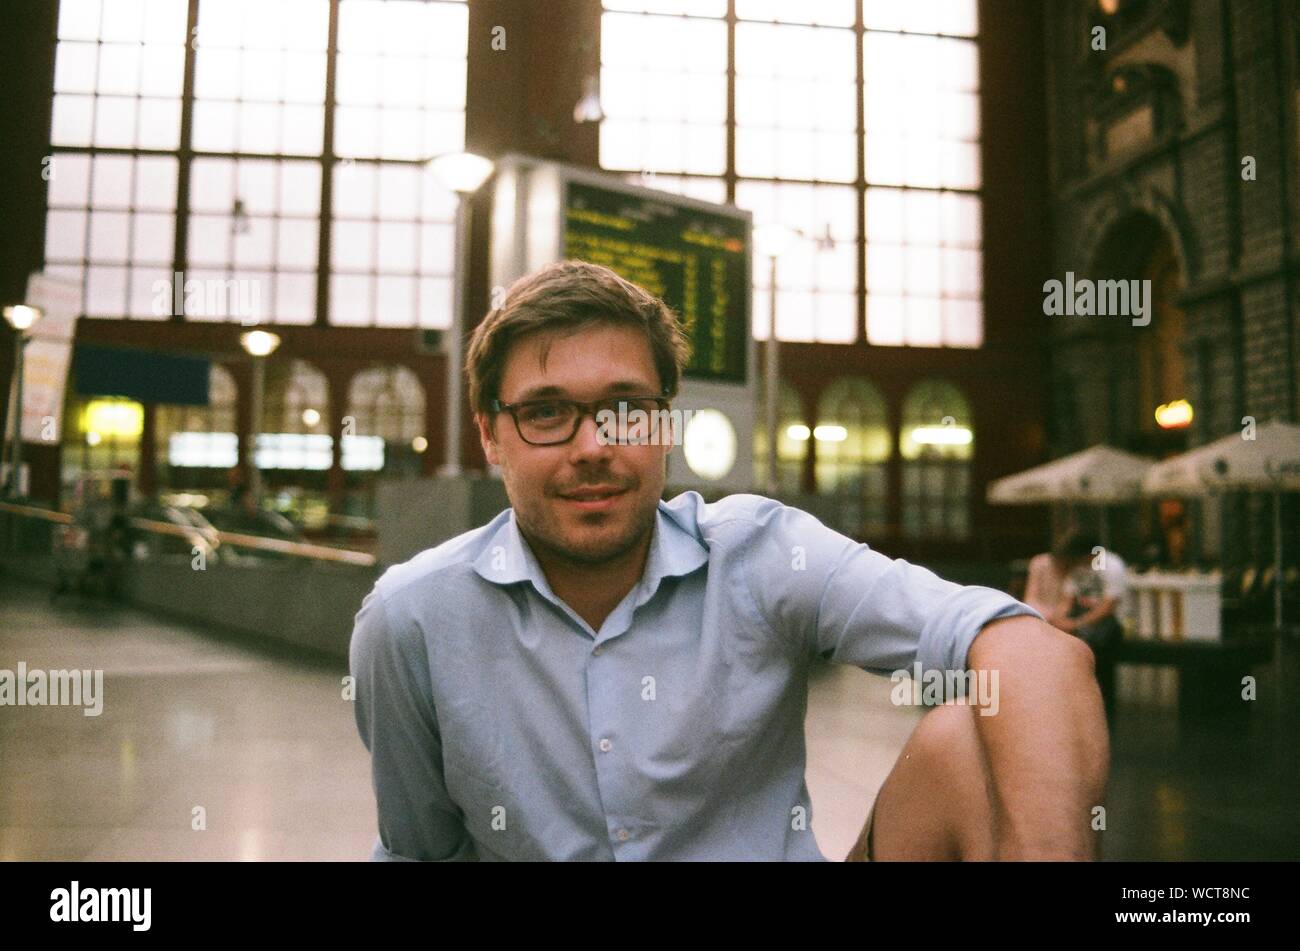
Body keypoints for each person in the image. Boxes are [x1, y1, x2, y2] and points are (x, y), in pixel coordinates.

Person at [348, 260, 1108, 862]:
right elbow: (421, 850)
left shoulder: (763, 554)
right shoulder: (413, 618)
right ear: (490, 434)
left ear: (665, 422)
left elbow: (1033, 649)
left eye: (626, 408)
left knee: (977, 734)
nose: (594, 447)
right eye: (547, 412)